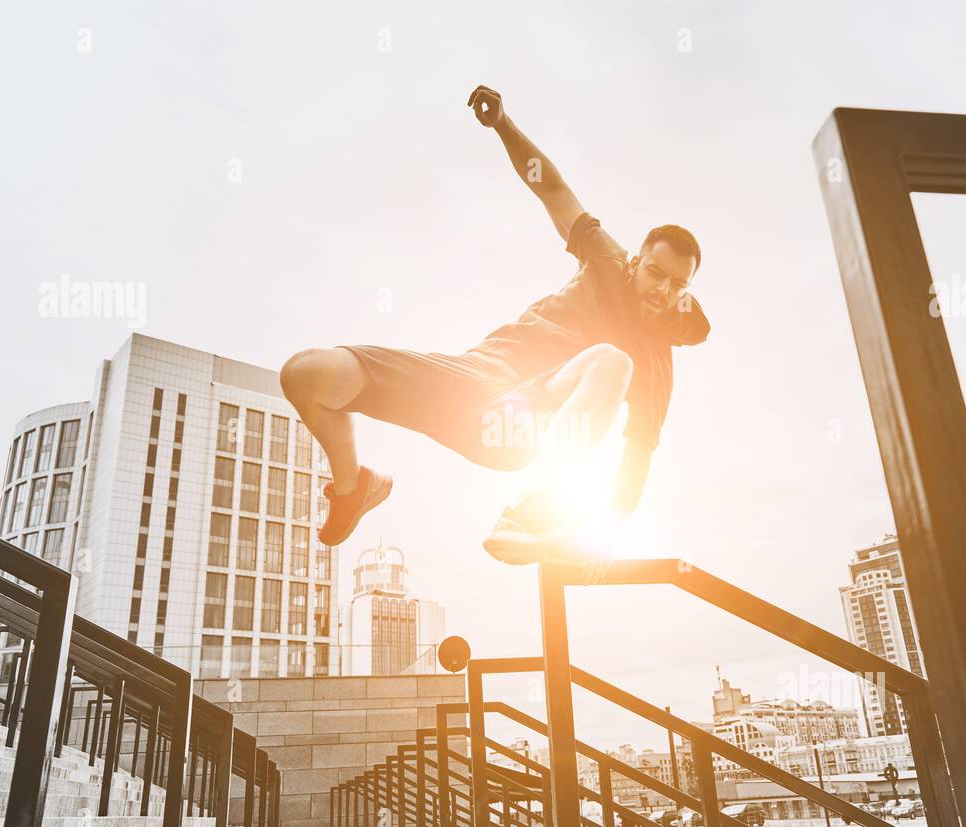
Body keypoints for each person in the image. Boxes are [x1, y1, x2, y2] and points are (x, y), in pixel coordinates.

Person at [279, 85, 709, 571]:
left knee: (613, 361)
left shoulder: (655, 360)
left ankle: (535, 512)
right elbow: (552, 191)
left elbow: (638, 455)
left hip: (516, 426)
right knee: (305, 374)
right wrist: (504, 125)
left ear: (686, 290)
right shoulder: (606, 257)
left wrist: (608, 534)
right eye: (656, 273)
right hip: (466, 379)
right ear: (636, 262)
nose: (662, 290)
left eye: (677, 284)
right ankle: (354, 486)